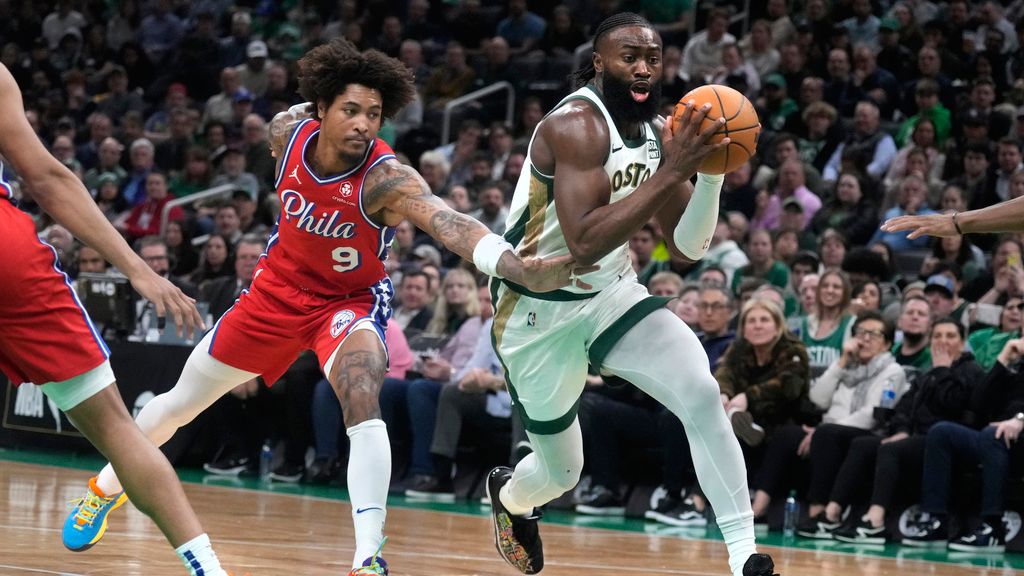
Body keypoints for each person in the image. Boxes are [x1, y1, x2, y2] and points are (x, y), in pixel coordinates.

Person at [62, 39, 582, 576]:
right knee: (179, 404)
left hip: (347, 302)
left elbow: (447, 221)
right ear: (322, 110)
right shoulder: (286, 134)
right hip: (274, 293)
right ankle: (104, 487)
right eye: (351, 110)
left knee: (363, 400)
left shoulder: (387, 179)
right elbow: (286, 123)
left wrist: (510, 262)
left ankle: (367, 558)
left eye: (374, 115)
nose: (363, 124)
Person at [484, 14, 776, 576]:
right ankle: (511, 498)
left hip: (612, 294)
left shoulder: (654, 131)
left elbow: (686, 248)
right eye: (628, 57)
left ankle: (744, 555)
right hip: (537, 310)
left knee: (700, 392)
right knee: (561, 474)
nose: (643, 68)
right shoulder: (575, 125)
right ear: (599, 62)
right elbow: (586, 240)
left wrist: (709, 172)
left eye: (653, 57)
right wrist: (673, 170)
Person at [0, 63, 225, 575]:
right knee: (119, 432)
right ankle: (209, 570)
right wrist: (139, 270)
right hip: (7, 257)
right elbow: (48, 178)